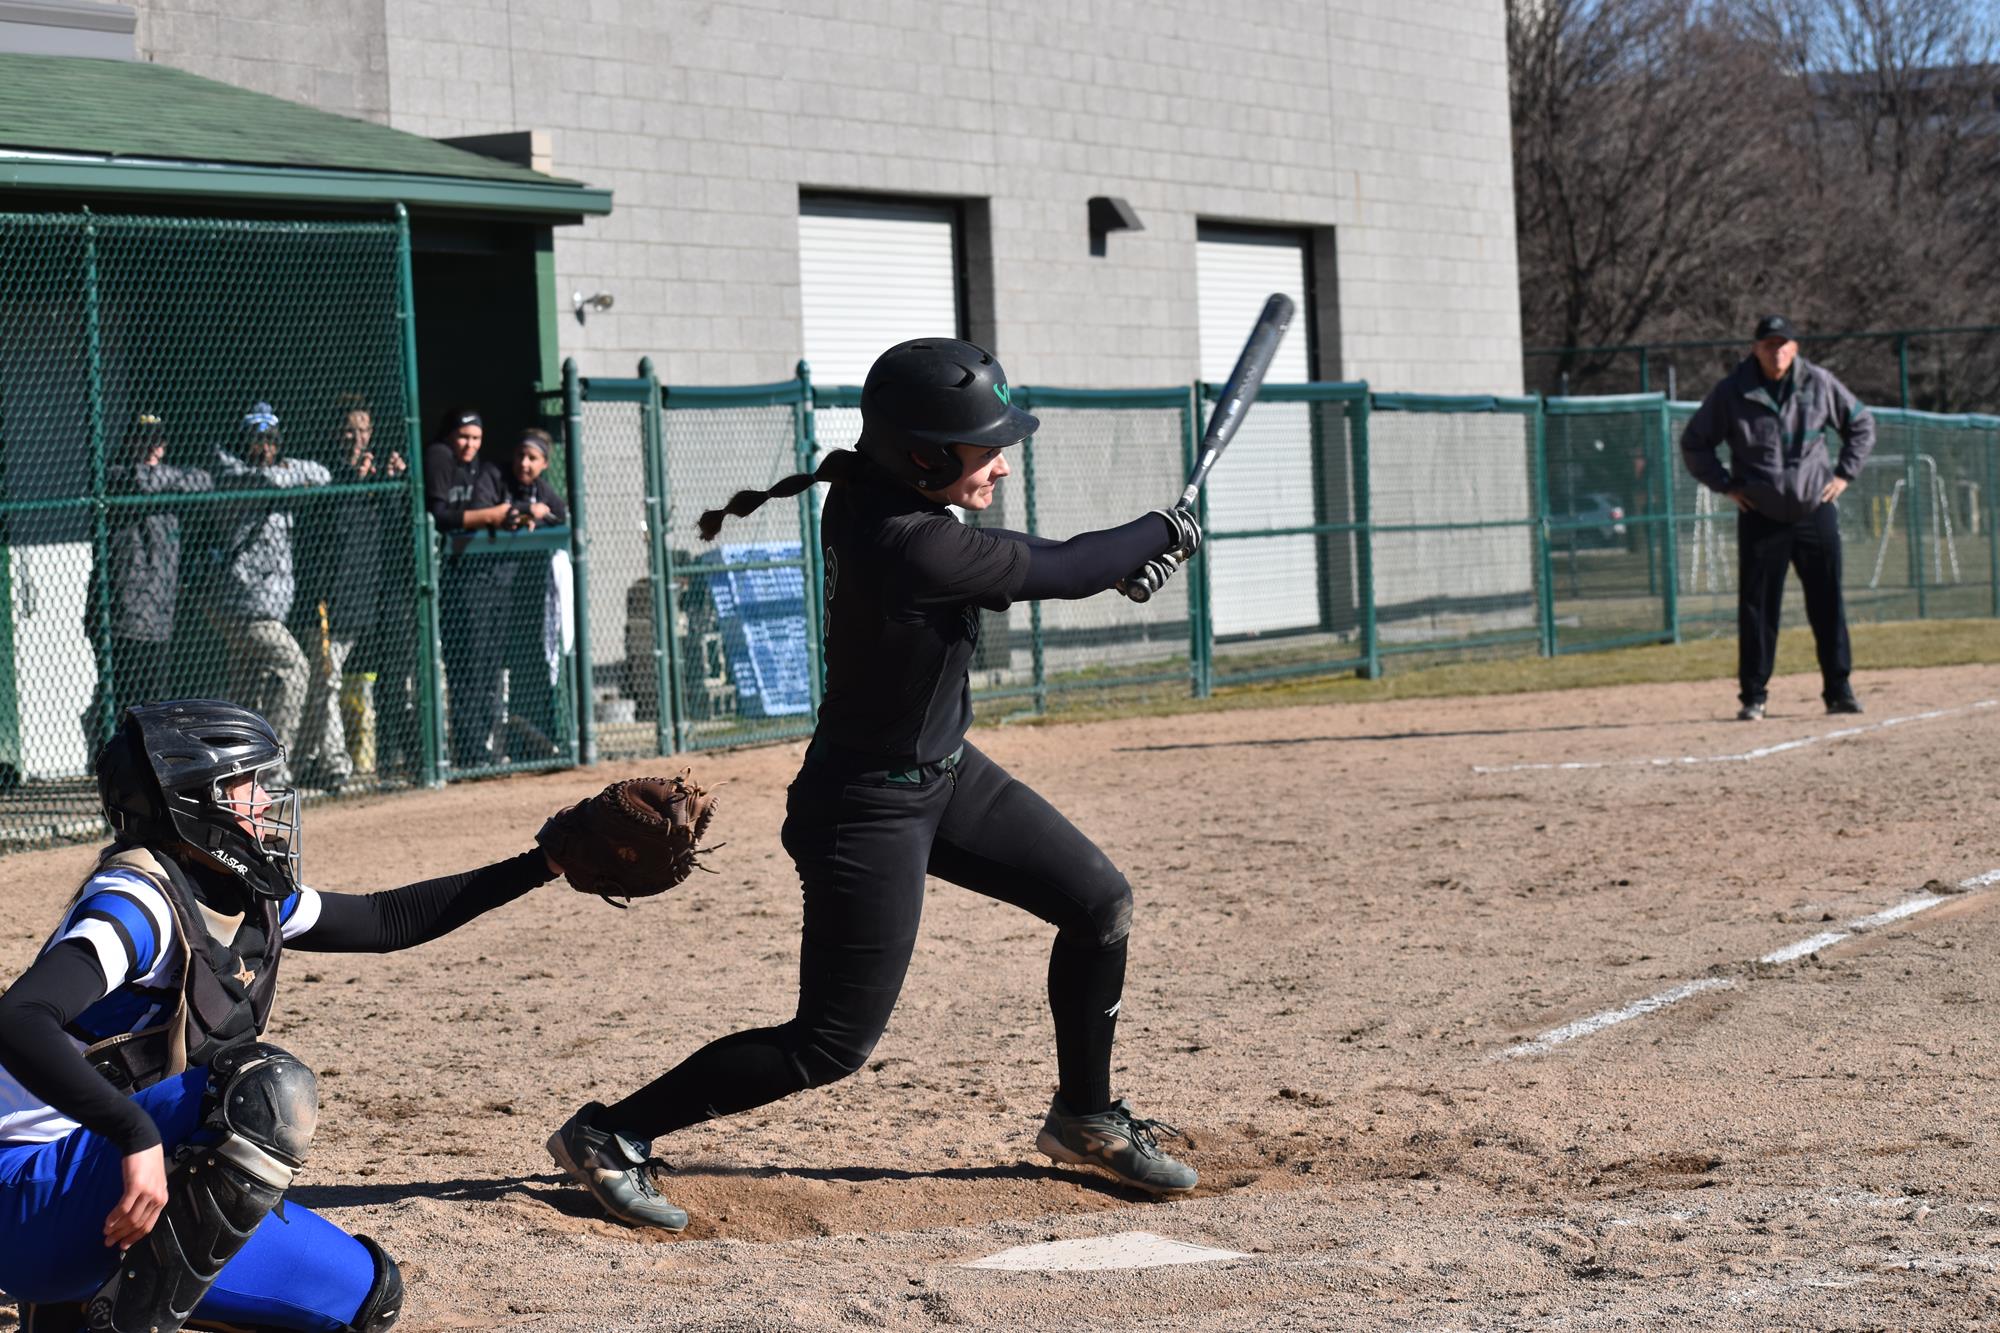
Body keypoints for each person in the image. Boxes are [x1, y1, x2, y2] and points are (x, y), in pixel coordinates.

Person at [544, 338, 1203, 1232]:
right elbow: (1072, 566)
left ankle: (1084, 1116)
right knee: (829, 1043)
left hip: (948, 775)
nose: (1003, 463)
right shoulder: (913, 544)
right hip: (867, 806)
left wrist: (1126, 556)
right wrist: (1163, 532)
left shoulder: (876, 492)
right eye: (985, 448)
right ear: (924, 458)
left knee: (1098, 903)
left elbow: (1078, 564)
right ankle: (611, 1133)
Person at [0, 698, 566, 1332]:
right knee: (262, 1088)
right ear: (191, 801)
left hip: (108, 1194)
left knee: (365, 1298)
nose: (267, 800)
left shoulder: (238, 890)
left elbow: (386, 920)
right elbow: (19, 1017)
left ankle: (75, 1304)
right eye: (247, 783)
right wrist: (136, 1135)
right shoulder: (136, 904)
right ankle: (99, 1313)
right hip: (25, 1197)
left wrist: (543, 865)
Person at [1681, 315, 1876, 720]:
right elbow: (1695, 442)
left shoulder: (1819, 383)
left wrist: (1844, 475)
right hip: (1761, 513)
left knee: (1827, 602)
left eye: (1784, 343)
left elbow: (1860, 423)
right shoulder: (1734, 391)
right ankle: (1754, 696)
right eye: (1769, 344)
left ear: (1796, 347)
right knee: (1757, 608)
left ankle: (1838, 690)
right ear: (1756, 348)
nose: (1778, 350)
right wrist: (1724, 484)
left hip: (1813, 509)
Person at [209, 404, 331, 766]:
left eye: (271, 440)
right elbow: (267, 481)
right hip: (243, 604)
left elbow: (322, 474)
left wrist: (289, 473)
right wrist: (289, 477)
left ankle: (238, 767)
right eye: (256, 439)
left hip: (267, 607)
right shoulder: (234, 474)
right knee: (296, 668)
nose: (265, 447)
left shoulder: (282, 470)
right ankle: (275, 765)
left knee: (247, 690)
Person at [295, 402, 406, 792]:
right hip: (328, 601)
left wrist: (389, 482)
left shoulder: (374, 477)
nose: (356, 438)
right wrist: (351, 480)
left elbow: (395, 531)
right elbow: (323, 527)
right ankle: (335, 765)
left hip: (363, 601)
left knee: (330, 685)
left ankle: (310, 759)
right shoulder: (325, 475)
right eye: (349, 430)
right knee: (324, 683)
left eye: (363, 430)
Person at [85, 414, 212, 742]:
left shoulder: (169, 478)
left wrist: (168, 477)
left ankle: (145, 767)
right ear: (130, 442)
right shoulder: (116, 475)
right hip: (122, 612)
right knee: (124, 699)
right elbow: (143, 481)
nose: (153, 448)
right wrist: (170, 478)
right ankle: (115, 766)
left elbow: (204, 480)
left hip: (159, 613)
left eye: (158, 441)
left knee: (155, 701)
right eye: (145, 440)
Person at [473, 429, 570, 762]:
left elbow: (560, 513)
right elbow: (485, 510)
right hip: (486, 586)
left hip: (523, 597)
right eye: (520, 456)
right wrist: (523, 512)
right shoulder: (494, 475)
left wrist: (539, 514)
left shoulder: (541, 488)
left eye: (532, 458)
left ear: (544, 464)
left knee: (522, 670)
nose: (524, 464)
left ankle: (524, 744)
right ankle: (483, 749)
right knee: (484, 669)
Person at [422, 408, 511, 771]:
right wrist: (490, 516)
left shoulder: (480, 469)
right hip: (454, 578)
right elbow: (438, 515)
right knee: (468, 670)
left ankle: (480, 748)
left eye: (475, 438)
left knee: (488, 667)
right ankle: (469, 752)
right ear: (450, 435)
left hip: (484, 578)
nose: (469, 444)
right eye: (463, 437)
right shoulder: (439, 456)